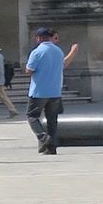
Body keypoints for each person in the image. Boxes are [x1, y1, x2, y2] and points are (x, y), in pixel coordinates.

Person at [25, 27, 77, 155]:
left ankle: (43, 137)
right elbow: (62, 65)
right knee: (52, 119)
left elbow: (29, 70)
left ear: (38, 38)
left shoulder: (37, 52)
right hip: (55, 91)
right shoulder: (58, 51)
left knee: (32, 116)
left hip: (39, 91)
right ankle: (51, 147)